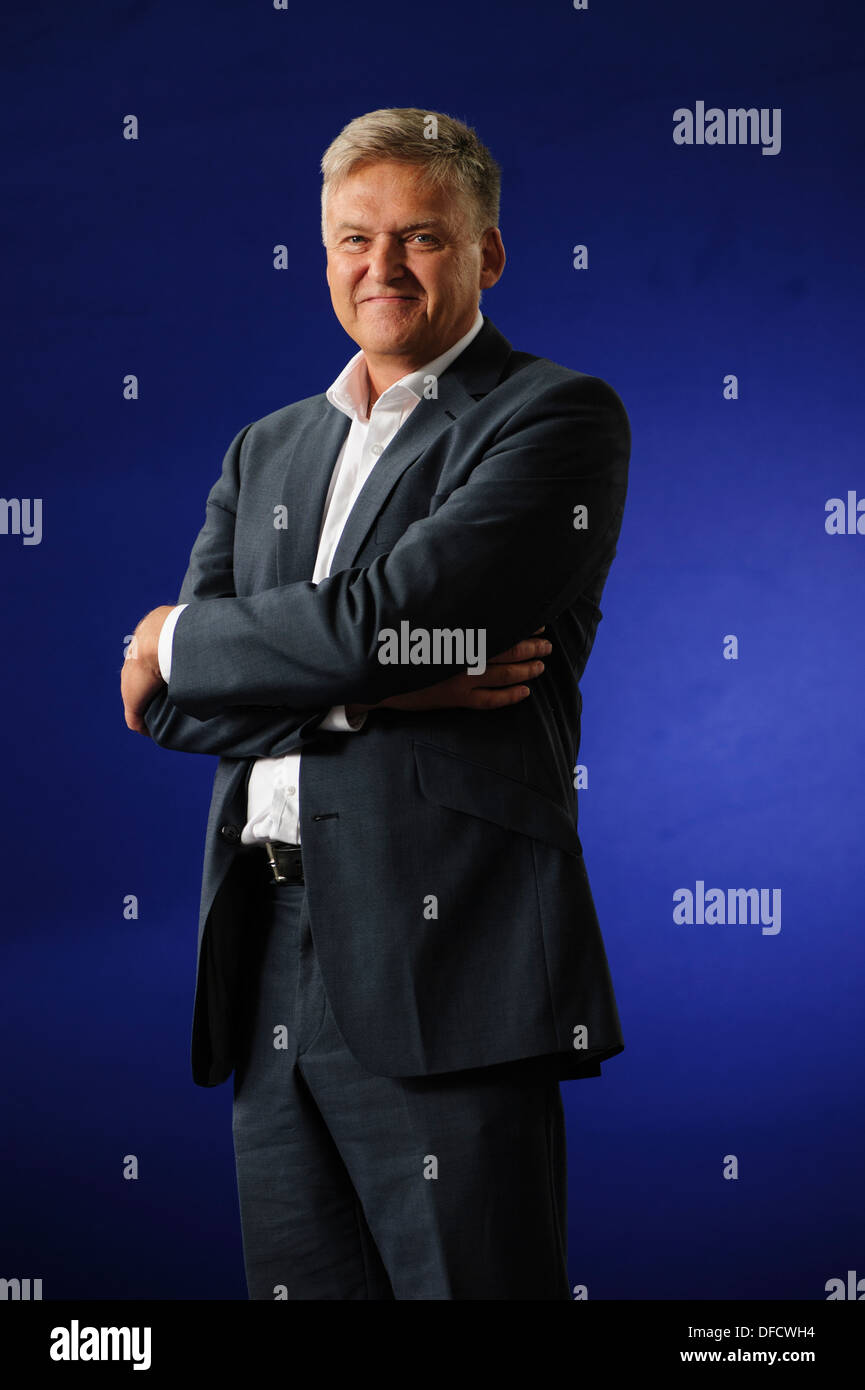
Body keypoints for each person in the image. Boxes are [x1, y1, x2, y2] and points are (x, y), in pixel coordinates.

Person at [121, 106, 630, 1301]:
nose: (380, 269)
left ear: (487, 253)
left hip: (447, 956)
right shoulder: (267, 449)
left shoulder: (554, 417)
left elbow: (362, 622)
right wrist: (378, 688)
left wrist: (180, 636)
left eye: (420, 239)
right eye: (353, 240)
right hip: (266, 949)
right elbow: (173, 711)